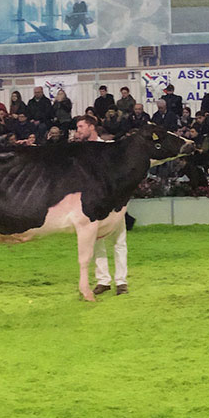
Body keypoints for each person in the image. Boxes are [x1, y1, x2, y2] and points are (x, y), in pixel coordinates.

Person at [71, 114, 128, 294]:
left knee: (119, 241)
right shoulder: (79, 151)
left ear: (91, 127)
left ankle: (121, 281)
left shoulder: (110, 148)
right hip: (92, 202)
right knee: (96, 242)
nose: (78, 130)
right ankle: (103, 280)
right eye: (77, 127)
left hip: (113, 200)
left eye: (80, 126)